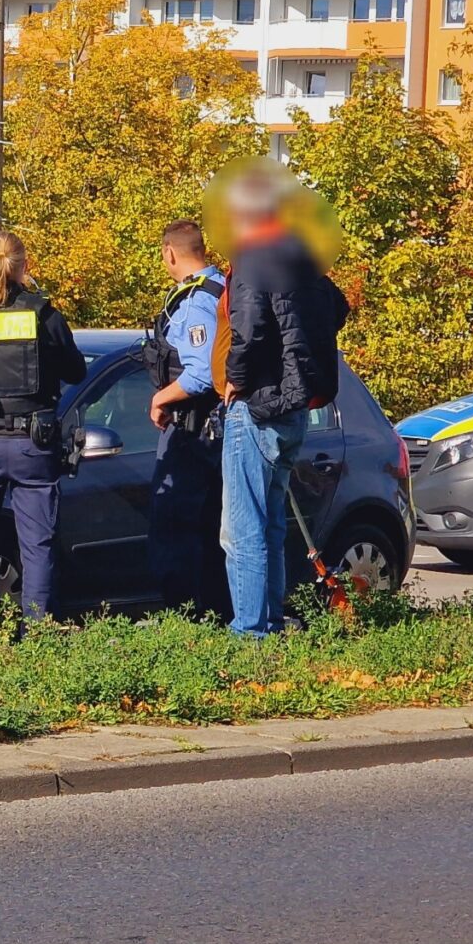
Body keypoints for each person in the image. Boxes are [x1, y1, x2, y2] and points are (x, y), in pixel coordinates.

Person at [215, 170, 349, 637]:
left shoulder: (253, 258)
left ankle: (250, 633)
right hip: (296, 406)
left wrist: (236, 378)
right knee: (270, 522)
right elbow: (339, 309)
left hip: (258, 406)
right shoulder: (304, 258)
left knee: (244, 528)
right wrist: (300, 366)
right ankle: (269, 621)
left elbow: (249, 328)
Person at [0, 232, 88, 619]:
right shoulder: (44, 314)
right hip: (32, 445)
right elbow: (76, 370)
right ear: (25, 265)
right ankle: (36, 634)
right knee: (36, 545)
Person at [142, 220, 230, 619]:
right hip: (216, 431)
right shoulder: (222, 288)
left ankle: (187, 620)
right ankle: (212, 613)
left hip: (195, 431)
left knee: (177, 528)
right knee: (211, 528)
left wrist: (161, 399)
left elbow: (199, 373)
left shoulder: (196, 302)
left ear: (170, 253)